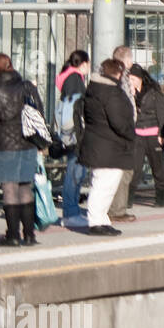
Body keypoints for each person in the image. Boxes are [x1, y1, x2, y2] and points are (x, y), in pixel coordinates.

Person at [0, 54, 44, 246]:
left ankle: (13, 236)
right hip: (28, 144)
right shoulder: (27, 86)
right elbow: (39, 112)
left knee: (9, 190)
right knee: (25, 188)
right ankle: (30, 235)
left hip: (5, 146)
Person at [79, 58, 137, 237]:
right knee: (104, 185)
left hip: (101, 144)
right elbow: (118, 121)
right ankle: (96, 221)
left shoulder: (95, 89)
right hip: (109, 146)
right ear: (117, 73)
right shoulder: (110, 92)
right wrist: (131, 133)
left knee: (104, 184)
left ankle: (101, 219)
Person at [55, 49, 89, 227]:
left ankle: (71, 211)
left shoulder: (69, 78)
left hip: (71, 134)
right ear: (83, 64)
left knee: (75, 171)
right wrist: (71, 135)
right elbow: (71, 111)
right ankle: (70, 212)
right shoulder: (75, 80)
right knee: (75, 173)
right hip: (75, 135)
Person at [128, 66, 164, 207]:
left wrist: (161, 133)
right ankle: (128, 199)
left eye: (133, 79)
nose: (131, 81)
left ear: (140, 78)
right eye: (129, 79)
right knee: (135, 167)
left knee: (157, 168)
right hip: (137, 135)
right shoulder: (129, 93)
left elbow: (162, 113)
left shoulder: (154, 92)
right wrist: (131, 96)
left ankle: (160, 197)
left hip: (153, 135)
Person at [107, 45, 139, 223]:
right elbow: (123, 106)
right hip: (123, 132)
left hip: (120, 131)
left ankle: (116, 207)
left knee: (120, 171)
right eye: (130, 59)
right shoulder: (121, 78)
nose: (132, 62)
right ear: (125, 60)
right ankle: (117, 210)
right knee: (124, 171)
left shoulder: (112, 76)